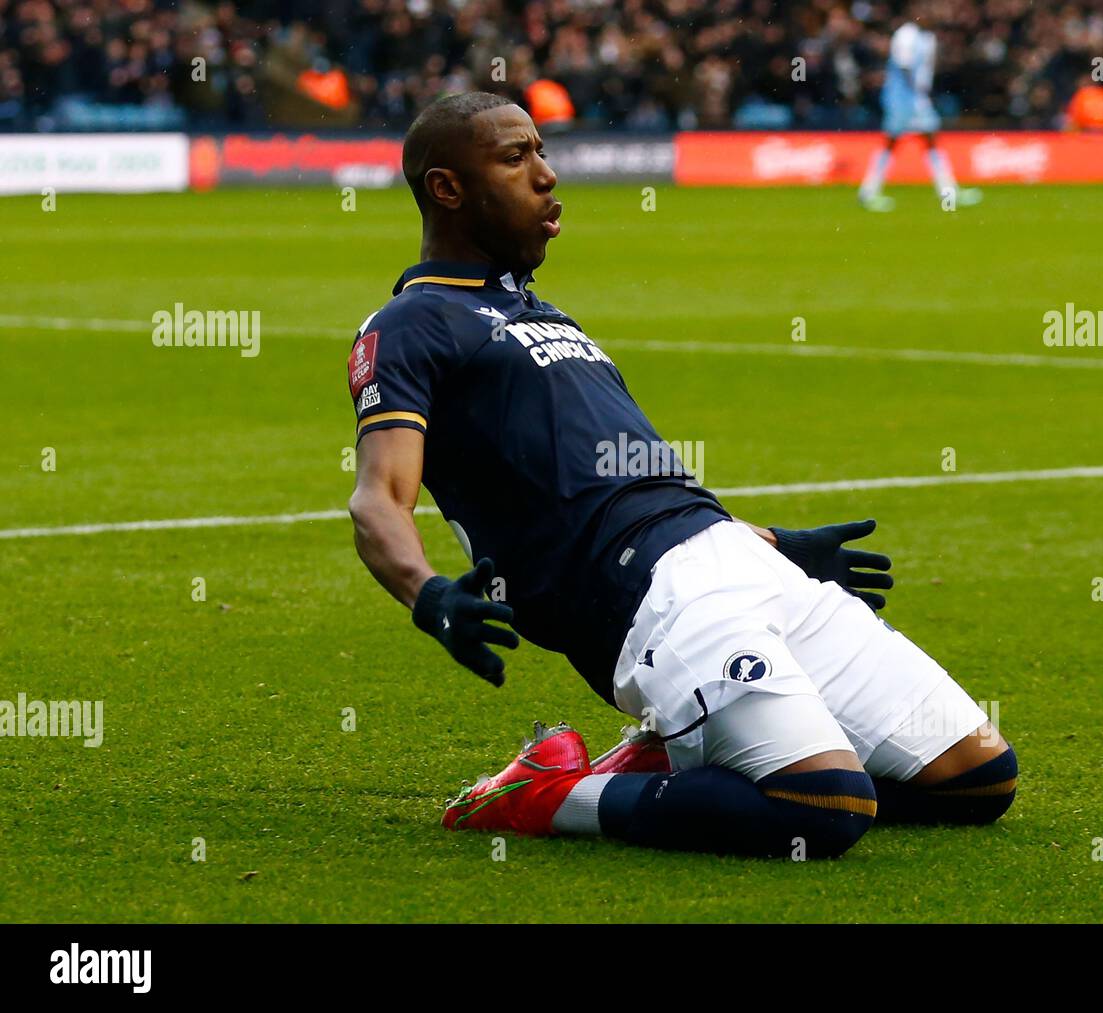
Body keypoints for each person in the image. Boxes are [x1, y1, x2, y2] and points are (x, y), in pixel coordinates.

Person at [346, 92, 1016, 859]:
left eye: (541, 149)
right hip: (644, 600)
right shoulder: (409, 325)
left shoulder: (549, 316)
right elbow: (378, 498)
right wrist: (428, 594)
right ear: (447, 188)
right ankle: (546, 791)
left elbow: (637, 488)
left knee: (979, 777)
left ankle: (683, 754)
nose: (547, 174)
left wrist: (777, 543)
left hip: (733, 556)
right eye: (516, 157)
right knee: (825, 807)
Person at [857, 4, 982, 211]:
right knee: (897, 142)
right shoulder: (906, 35)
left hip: (914, 98)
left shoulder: (927, 37)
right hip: (904, 99)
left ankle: (946, 191)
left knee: (923, 141)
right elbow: (903, 65)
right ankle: (870, 191)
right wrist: (915, 96)